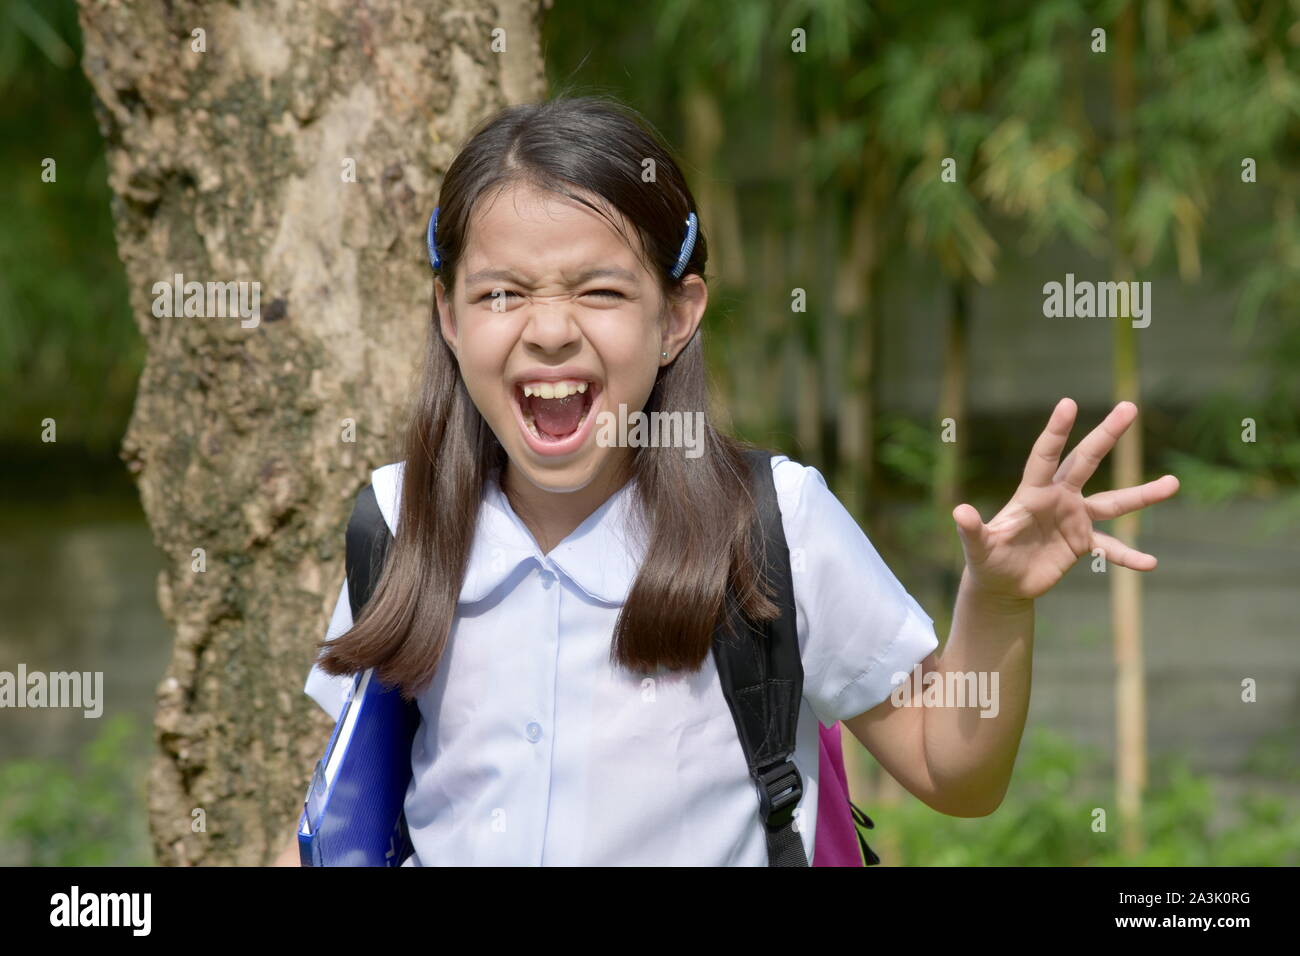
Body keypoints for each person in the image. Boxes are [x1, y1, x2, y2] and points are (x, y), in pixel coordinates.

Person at [273, 94, 1179, 866]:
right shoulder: (397, 523)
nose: (547, 331)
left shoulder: (771, 521)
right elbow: (351, 798)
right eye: (501, 293)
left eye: (600, 291)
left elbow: (956, 771)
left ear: (677, 316)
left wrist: (1001, 600)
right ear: (449, 314)